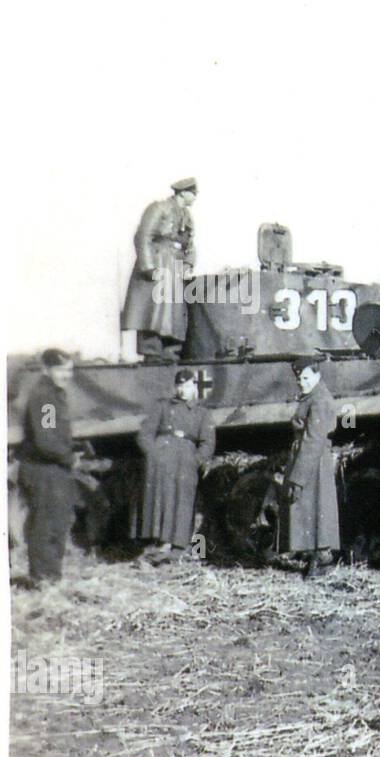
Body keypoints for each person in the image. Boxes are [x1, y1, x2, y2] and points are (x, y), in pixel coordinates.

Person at [132, 369, 216, 564]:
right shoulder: (162, 407)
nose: (183, 390)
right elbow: (144, 434)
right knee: (159, 500)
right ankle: (157, 544)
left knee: (182, 502)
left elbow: (208, 442)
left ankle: (178, 548)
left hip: (185, 459)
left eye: (187, 385)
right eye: (180, 385)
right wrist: (153, 454)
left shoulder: (202, 413)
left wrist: (196, 460)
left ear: (195, 387)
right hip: (161, 459)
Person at [17, 349, 80, 584]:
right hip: (44, 469)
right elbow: (46, 441)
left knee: (56, 523)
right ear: (47, 369)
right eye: (61, 370)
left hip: (53, 468)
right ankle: (43, 579)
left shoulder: (54, 394)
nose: (66, 375)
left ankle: (51, 576)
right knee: (45, 525)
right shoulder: (45, 398)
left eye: (69, 370)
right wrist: (69, 458)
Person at [122, 178, 197, 362]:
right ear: (182, 192)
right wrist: (148, 267)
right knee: (154, 312)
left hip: (175, 267)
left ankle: (170, 351)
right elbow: (143, 236)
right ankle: (152, 351)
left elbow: (190, 244)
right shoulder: (158, 208)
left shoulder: (187, 216)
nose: (195, 197)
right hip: (159, 262)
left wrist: (188, 263)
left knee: (174, 313)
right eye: (193, 193)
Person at [278, 358, 339, 578]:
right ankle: (316, 557)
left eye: (306, 378)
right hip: (309, 457)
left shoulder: (319, 400)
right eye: (299, 378)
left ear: (317, 375)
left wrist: (298, 477)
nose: (301, 382)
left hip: (313, 460)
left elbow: (313, 439)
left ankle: (322, 559)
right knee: (310, 508)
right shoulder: (313, 396)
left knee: (314, 507)